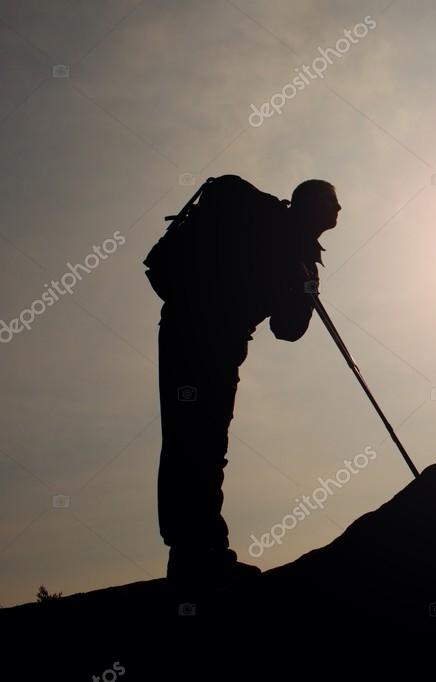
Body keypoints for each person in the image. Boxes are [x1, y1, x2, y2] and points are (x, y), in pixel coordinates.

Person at [145, 176, 340, 589]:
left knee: (206, 441)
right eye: (332, 200)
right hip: (194, 334)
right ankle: (194, 555)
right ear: (310, 201)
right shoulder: (272, 226)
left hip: (219, 342)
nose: (339, 210)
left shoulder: (300, 250)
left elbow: (286, 329)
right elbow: (282, 325)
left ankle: (199, 552)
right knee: (192, 439)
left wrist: (305, 288)